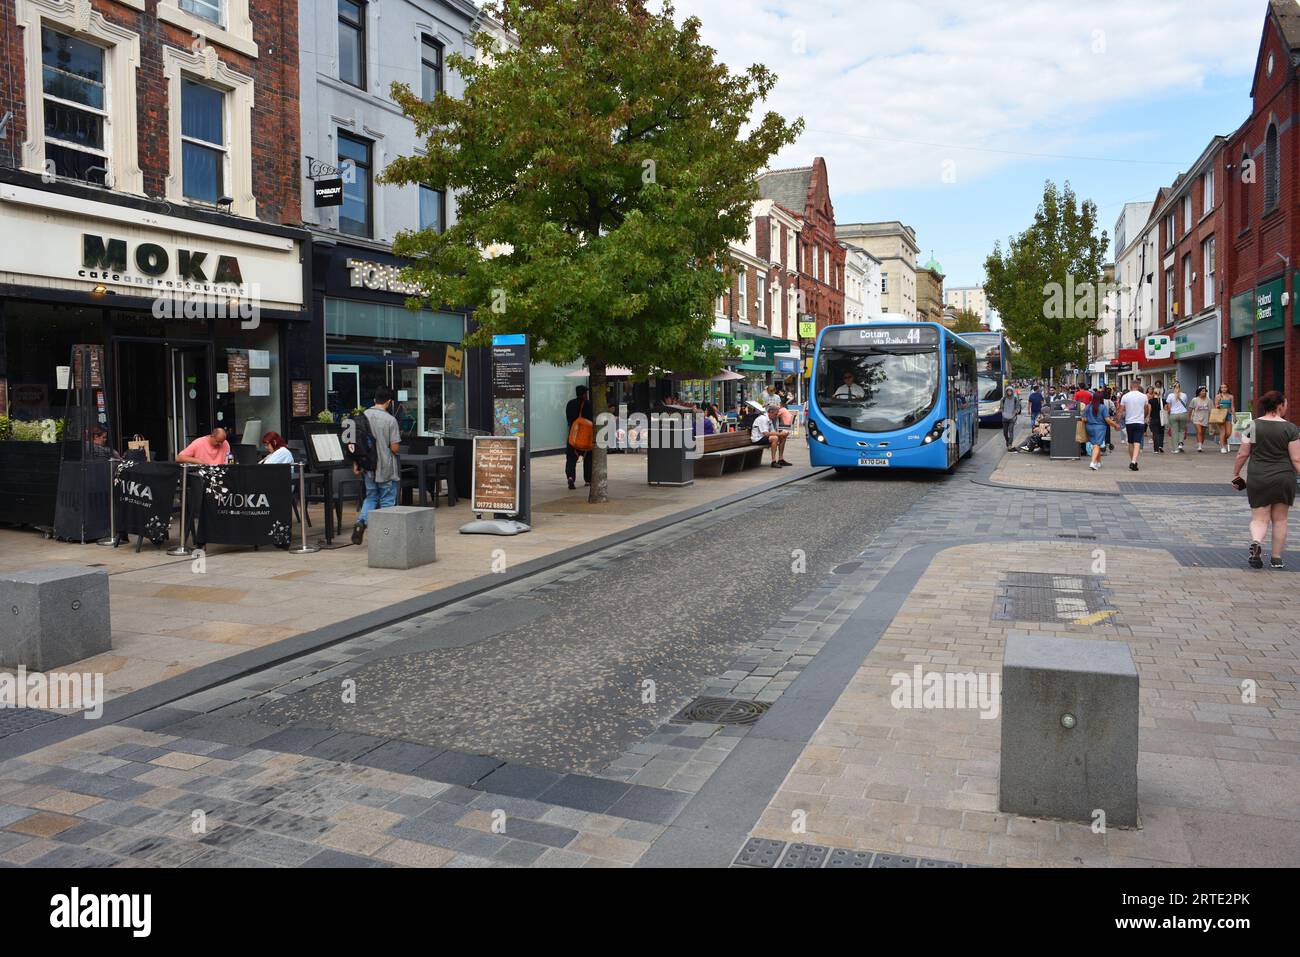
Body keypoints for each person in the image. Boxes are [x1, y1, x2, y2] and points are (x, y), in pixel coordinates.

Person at [1232, 391, 1300, 569]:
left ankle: (1256, 541)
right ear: (1279, 406)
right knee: (1280, 519)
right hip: (1284, 476)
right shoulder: (1291, 428)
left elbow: (1243, 453)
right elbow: (1296, 459)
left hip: (1258, 476)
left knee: (1259, 518)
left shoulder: (1250, 425)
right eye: (1285, 404)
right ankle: (1276, 558)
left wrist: (1236, 473)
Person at [350, 386, 402, 545]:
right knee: (387, 499)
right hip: (385, 466)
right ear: (389, 402)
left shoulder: (362, 416)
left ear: (374, 400)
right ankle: (386, 535)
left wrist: (356, 463)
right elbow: (394, 447)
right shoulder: (390, 420)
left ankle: (361, 523)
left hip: (367, 466)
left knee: (371, 496)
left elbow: (355, 443)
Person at [1083, 391, 1121, 471]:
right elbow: (1107, 419)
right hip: (1100, 428)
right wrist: (1115, 425)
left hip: (1089, 427)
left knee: (1096, 445)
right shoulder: (1103, 407)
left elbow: (1084, 419)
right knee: (1097, 445)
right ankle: (1093, 463)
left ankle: (1099, 462)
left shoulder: (1088, 406)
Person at [564, 385, 593, 490]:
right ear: (585, 394)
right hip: (587, 438)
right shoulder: (589, 404)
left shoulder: (570, 404)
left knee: (571, 459)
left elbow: (568, 420)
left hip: (573, 436)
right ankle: (588, 480)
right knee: (588, 459)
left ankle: (571, 477)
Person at [1119, 378, 1150, 472]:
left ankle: (1133, 460)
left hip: (1129, 422)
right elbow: (1146, 409)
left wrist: (1117, 422)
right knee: (1137, 443)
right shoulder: (1144, 396)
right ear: (1139, 386)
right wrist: (1144, 417)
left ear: (1130, 386)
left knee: (1130, 442)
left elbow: (1121, 410)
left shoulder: (1125, 396)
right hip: (1140, 422)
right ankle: (1133, 461)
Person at [752, 403, 791, 468]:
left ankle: (780, 459)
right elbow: (766, 433)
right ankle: (773, 461)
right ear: (770, 412)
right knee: (774, 438)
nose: (776, 416)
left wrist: (782, 433)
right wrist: (779, 434)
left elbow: (773, 432)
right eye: (775, 414)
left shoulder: (769, 419)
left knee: (782, 436)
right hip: (757, 439)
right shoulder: (763, 419)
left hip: (763, 437)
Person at [1165, 381, 1190, 453]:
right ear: (1180, 387)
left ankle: (1175, 449)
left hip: (1173, 414)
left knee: (1174, 432)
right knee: (1182, 430)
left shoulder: (1170, 395)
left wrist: (1169, 414)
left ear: (1173, 388)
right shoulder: (1184, 395)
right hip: (1183, 414)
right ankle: (1180, 443)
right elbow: (1185, 404)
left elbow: (1169, 407)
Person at [1214, 383, 1236, 454]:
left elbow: (1232, 406)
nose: (1223, 389)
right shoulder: (1218, 396)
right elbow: (1216, 406)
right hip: (1220, 414)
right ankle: (1222, 447)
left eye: (1225, 387)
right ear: (1220, 389)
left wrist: (1234, 416)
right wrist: (1218, 406)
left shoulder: (1231, 396)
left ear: (1227, 388)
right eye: (1222, 388)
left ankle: (1222, 441)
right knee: (1223, 431)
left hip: (1229, 414)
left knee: (1229, 433)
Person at [1189, 386, 1212, 452]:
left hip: (1205, 418)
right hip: (1196, 418)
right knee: (1199, 431)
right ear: (1199, 392)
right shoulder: (1194, 400)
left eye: (1205, 391)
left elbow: (1211, 410)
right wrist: (1189, 417)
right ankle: (1199, 446)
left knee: (1203, 432)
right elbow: (1191, 409)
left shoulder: (1209, 400)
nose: (1204, 392)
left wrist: (1211, 419)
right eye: (1202, 391)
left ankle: (1201, 444)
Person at [1000, 386, 1022, 451]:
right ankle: (1007, 440)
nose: (1009, 392)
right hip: (1004, 418)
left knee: (1011, 431)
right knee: (1005, 432)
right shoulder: (1003, 399)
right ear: (1006, 392)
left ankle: (1010, 444)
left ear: (1012, 391)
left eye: (1010, 391)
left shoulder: (1015, 398)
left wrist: (1015, 412)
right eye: (1008, 391)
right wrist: (1001, 411)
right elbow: (1001, 407)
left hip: (1012, 418)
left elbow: (1018, 408)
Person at [1147, 384, 1165, 453]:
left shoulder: (1151, 401)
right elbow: (1166, 409)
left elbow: (1150, 410)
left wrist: (1148, 417)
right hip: (1162, 419)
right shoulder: (1163, 400)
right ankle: (1160, 445)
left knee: (1155, 434)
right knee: (1161, 433)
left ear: (1154, 393)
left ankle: (1156, 449)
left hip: (1154, 419)